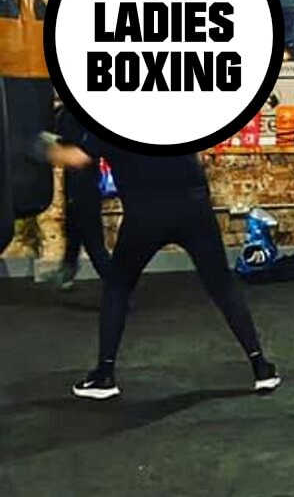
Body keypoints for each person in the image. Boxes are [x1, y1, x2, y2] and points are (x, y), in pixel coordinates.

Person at [49, 131, 281, 400]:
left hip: (146, 214)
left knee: (118, 287)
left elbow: (76, 159)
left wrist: (37, 146)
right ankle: (261, 368)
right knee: (223, 286)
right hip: (194, 209)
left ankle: (104, 375)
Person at [50, 106, 114, 291]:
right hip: (77, 185)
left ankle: (117, 286)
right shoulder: (67, 114)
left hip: (84, 187)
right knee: (73, 232)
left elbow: (79, 156)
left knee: (94, 244)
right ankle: (67, 270)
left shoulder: (78, 116)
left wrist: (42, 147)